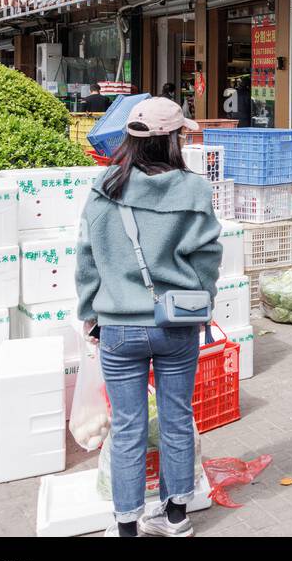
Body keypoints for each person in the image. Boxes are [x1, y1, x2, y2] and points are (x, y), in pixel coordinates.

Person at [75, 97, 222, 538]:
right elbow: (208, 259)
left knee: (127, 426)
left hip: (118, 325)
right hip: (176, 324)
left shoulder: (106, 186)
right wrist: (201, 303)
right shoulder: (193, 188)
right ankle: (175, 516)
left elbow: (87, 258)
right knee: (177, 418)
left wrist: (89, 313)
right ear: (174, 138)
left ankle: (125, 525)